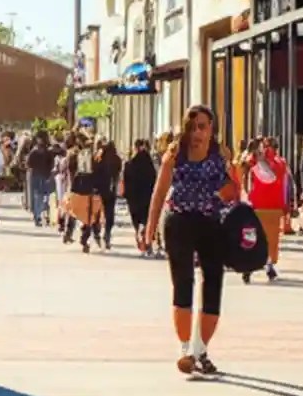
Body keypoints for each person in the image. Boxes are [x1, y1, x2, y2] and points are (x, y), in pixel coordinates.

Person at [144, 105, 240, 377]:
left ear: (212, 129)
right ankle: (186, 349)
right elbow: (160, 191)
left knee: (213, 284)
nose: (197, 132)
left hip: (211, 223)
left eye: (203, 126)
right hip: (179, 221)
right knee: (183, 282)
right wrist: (150, 228)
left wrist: (222, 194)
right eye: (193, 126)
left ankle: (200, 350)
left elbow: (233, 188)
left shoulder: (220, 156)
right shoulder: (174, 155)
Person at [245, 138, 287, 283]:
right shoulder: (280, 163)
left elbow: (247, 181)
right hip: (274, 207)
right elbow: (283, 184)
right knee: (271, 241)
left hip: (257, 205)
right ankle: (268, 266)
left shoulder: (254, 162)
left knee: (253, 238)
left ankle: (249, 268)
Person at [123, 139, 157, 257]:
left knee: (136, 220)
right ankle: (147, 241)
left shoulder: (129, 164)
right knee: (146, 219)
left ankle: (140, 235)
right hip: (147, 196)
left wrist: (126, 195)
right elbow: (154, 180)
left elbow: (126, 182)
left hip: (134, 198)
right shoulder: (149, 164)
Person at [94, 142, 123, 249]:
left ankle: (97, 232)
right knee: (109, 213)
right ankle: (107, 234)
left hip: (99, 189)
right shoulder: (117, 159)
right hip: (111, 190)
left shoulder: (99, 159)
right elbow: (118, 173)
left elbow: (95, 172)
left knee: (96, 213)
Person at [25, 131, 57, 226]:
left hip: (41, 176)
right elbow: (29, 164)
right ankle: (40, 216)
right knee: (41, 196)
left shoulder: (43, 151)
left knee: (41, 197)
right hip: (40, 176)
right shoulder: (39, 151)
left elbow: (28, 164)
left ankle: (41, 215)